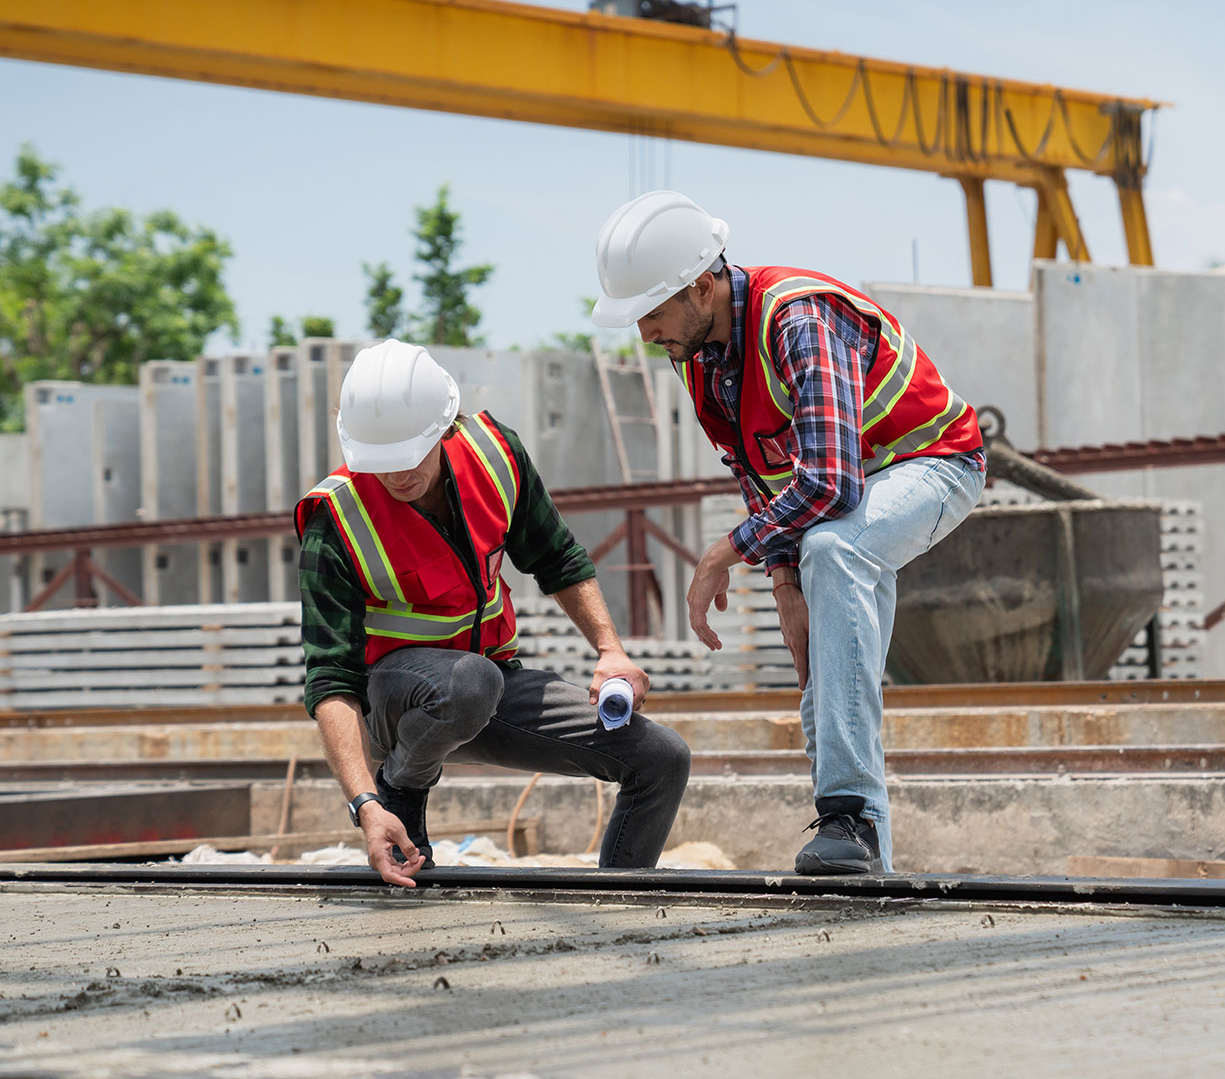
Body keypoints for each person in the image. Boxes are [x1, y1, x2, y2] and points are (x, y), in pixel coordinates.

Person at [591, 191, 985, 875]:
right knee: (823, 652)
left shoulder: (795, 317)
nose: (645, 333)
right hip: (846, 495)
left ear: (701, 286)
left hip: (931, 462)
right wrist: (781, 579)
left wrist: (725, 552)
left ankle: (848, 815)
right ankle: (863, 862)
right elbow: (758, 467)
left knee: (836, 546)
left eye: (651, 312)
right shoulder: (699, 357)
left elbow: (830, 482)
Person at [295, 338, 692, 886]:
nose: (398, 476)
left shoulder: (495, 456)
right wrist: (366, 804)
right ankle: (402, 792)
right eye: (383, 463)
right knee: (469, 681)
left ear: (446, 427)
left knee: (663, 759)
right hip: (390, 709)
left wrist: (611, 650)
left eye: (412, 455)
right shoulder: (336, 517)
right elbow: (331, 678)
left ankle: (619, 900)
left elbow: (557, 558)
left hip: (487, 689)